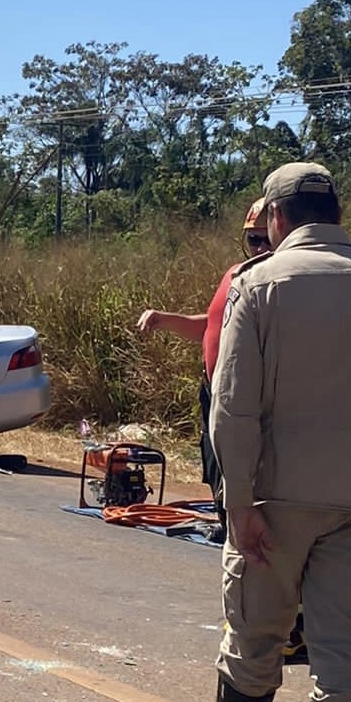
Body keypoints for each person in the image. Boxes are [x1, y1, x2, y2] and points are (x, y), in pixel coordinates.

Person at [187, 161, 351, 702]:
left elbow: (233, 405)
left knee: (255, 629)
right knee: (346, 653)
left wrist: (239, 501)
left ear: (279, 219)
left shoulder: (259, 286)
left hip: (276, 498)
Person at [137, 197, 271, 531]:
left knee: (238, 471)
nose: (259, 246)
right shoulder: (236, 274)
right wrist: (165, 319)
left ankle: (237, 532)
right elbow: (210, 327)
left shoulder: (277, 284)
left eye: (266, 237)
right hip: (214, 391)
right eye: (252, 239)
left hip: (244, 398)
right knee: (214, 461)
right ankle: (226, 523)